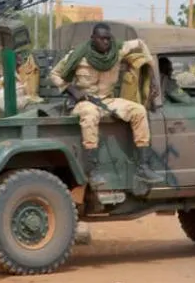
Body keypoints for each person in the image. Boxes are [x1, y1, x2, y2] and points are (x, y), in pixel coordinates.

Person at [50, 23, 162, 188]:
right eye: (101, 38)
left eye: (108, 39)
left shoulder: (117, 51)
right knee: (90, 114)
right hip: (84, 101)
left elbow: (140, 43)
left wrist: (152, 76)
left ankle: (143, 167)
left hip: (108, 100)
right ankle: (93, 170)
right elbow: (54, 74)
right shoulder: (78, 54)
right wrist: (70, 89)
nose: (106, 42)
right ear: (93, 39)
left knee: (138, 111)